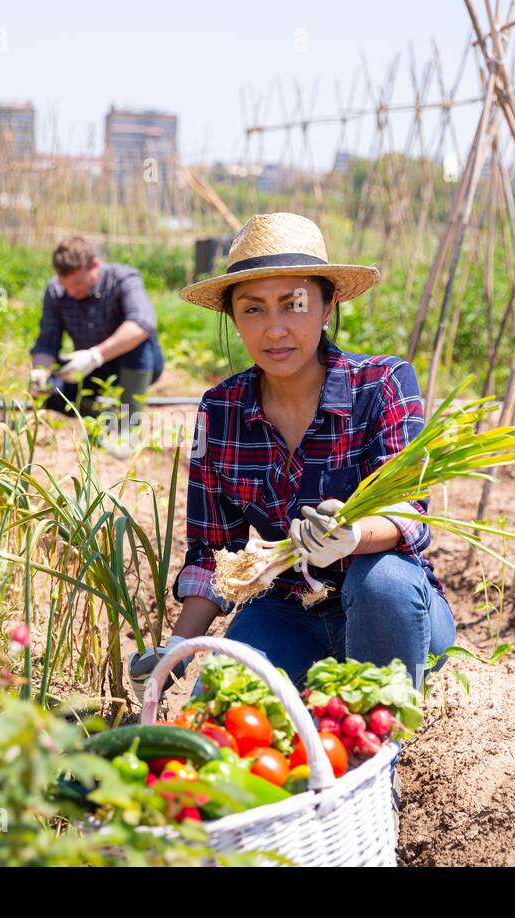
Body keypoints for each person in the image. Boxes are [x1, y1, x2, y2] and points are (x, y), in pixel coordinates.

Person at [129, 212, 455, 704]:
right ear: (234, 319)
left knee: (382, 579)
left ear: (328, 306)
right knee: (222, 707)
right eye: (253, 309)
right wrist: (177, 647)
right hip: (287, 607)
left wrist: (352, 537)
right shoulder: (220, 410)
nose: (274, 329)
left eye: (293, 304)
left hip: (386, 603)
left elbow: (411, 515)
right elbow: (213, 554)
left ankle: (376, 760)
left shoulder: (383, 384)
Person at [29, 236, 165, 432]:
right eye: (65, 285)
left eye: (77, 284)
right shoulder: (56, 291)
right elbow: (47, 342)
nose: (71, 292)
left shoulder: (123, 279)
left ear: (94, 265)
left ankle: (128, 421)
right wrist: (40, 372)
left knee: (138, 342)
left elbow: (143, 323)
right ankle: (104, 414)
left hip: (135, 365)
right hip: (90, 371)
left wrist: (95, 356)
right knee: (49, 392)